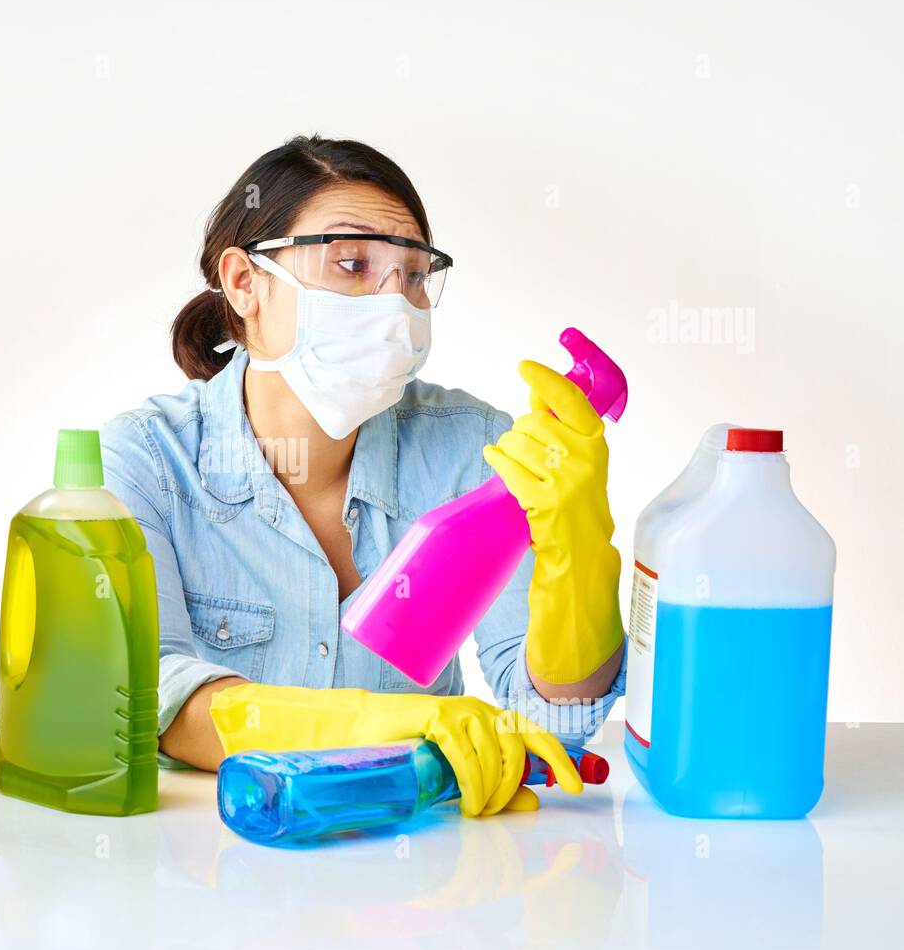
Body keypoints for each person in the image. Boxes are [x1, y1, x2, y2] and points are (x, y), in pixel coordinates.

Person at [101, 135, 625, 816]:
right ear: (244, 282)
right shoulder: (149, 458)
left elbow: (558, 721)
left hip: (422, 867)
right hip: (225, 853)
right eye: (351, 264)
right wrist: (383, 725)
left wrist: (580, 544)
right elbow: (151, 699)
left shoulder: (476, 449)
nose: (394, 306)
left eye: (413, 277)